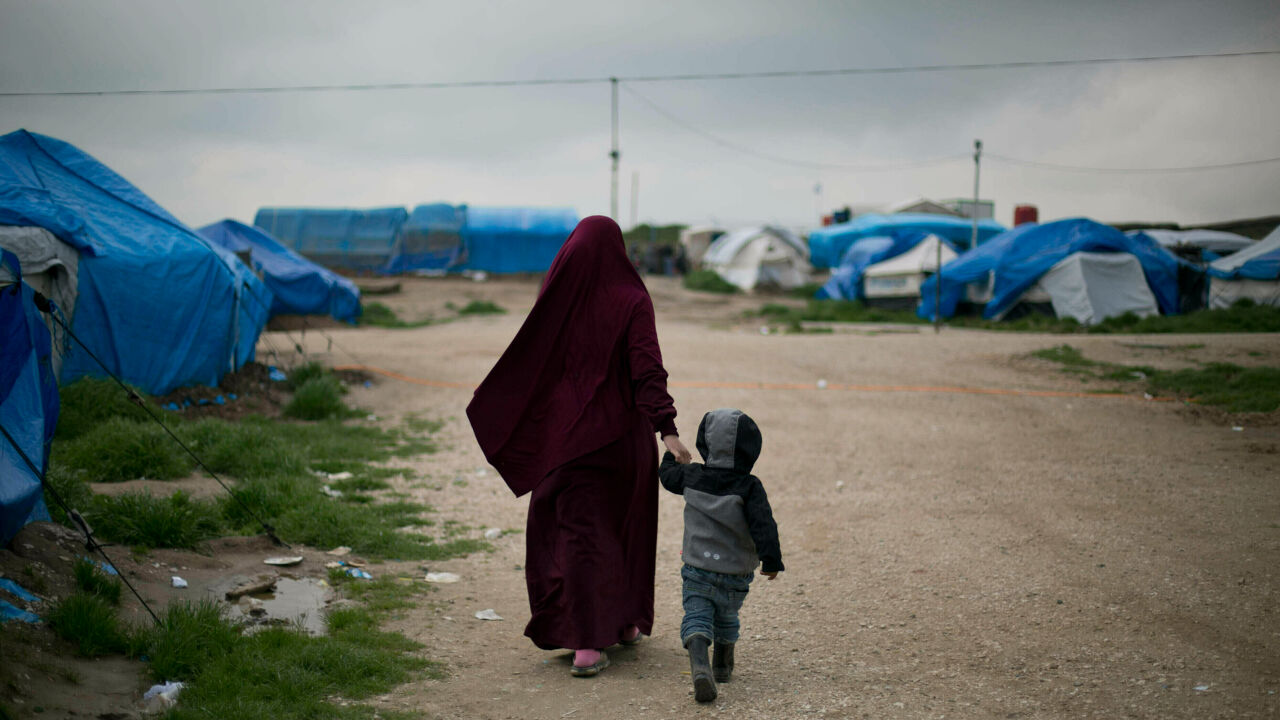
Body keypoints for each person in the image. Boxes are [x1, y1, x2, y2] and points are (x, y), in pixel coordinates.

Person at [467, 215, 692, 678]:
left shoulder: (557, 298)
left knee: (575, 538)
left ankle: (587, 643)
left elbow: (530, 364)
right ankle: (624, 623)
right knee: (623, 530)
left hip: (565, 442)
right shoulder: (632, 298)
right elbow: (647, 367)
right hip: (623, 443)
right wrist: (667, 430)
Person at [658, 408, 784, 703]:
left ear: (705, 443)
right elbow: (764, 525)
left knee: (697, 614)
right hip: (736, 572)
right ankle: (723, 664)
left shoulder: (692, 476)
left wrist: (671, 456)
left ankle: (699, 661)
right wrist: (772, 560)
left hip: (697, 566)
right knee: (727, 615)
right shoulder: (750, 487)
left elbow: (666, 477)